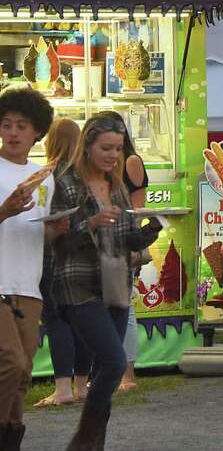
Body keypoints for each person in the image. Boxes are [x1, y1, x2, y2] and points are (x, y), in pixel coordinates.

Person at [52, 114, 162, 450]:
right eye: (106, 148)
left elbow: (127, 239)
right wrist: (93, 222)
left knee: (107, 369)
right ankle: (83, 442)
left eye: (118, 148)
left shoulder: (115, 185)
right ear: (87, 145)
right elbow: (58, 239)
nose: (114, 155)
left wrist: (150, 230)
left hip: (115, 282)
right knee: (115, 361)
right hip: (78, 283)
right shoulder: (67, 182)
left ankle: (92, 442)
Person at [0, 89, 58, 451]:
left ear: (37, 131)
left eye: (21, 126)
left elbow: (42, 230)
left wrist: (58, 229)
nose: (13, 132)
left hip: (29, 283)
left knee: (23, 374)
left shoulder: (44, 177)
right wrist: (5, 209)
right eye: (6, 125)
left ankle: (11, 436)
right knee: (11, 362)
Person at [34, 118, 90, 410]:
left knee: (56, 320)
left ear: (49, 141)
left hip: (53, 256)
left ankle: (62, 388)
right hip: (82, 259)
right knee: (79, 322)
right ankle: (81, 384)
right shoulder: (86, 174)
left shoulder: (48, 174)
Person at [94, 111, 146, 395]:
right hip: (105, 239)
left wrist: (132, 241)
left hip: (124, 240)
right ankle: (111, 371)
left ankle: (128, 373)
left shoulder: (131, 161)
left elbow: (137, 205)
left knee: (125, 307)